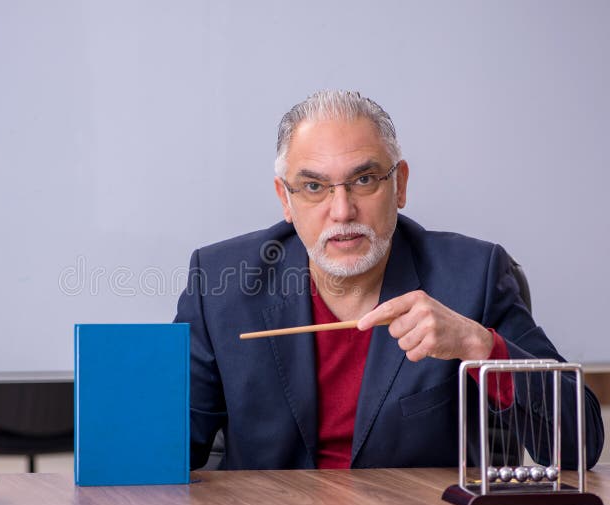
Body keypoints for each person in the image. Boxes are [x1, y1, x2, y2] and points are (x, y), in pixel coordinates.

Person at [175, 90, 604, 471]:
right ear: (285, 199)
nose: (342, 211)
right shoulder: (220, 284)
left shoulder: (474, 275)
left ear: (399, 185)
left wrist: (479, 346)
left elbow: (580, 445)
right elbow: (167, 446)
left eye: (364, 180)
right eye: (314, 186)